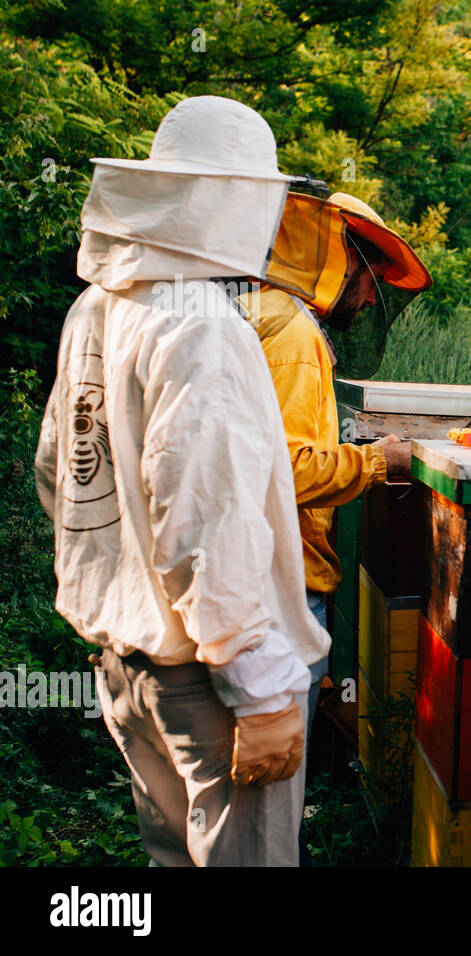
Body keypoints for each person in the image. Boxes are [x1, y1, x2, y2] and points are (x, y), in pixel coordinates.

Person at [33, 95, 328, 866]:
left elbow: (60, 475)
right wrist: (260, 689)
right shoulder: (201, 323)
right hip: (214, 683)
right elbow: (208, 517)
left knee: (171, 859)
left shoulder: (95, 309)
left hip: (128, 669)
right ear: (233, 199)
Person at [244, 191, 430, 721]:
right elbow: (286, 471)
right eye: (373, 281)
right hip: (277, 588)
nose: (372, 300)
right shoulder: (292, 335)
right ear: (342, 260)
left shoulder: (259, 310)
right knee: (275, 782)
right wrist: (378, 463)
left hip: (252, 581)